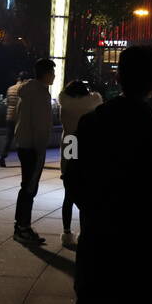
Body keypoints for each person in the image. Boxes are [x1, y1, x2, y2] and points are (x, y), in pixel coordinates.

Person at [70, 46, 152, 304]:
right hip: (142, 252)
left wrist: (94, 208)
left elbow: (73, 174)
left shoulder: (90, 123)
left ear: (118, 78)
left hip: (98, 244)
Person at [11, 59, 55, 246]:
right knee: (29, 188)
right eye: (52, 72)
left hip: (24, 143)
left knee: (26, 187)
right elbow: (40, 124)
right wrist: (40, 148)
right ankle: (23, 228)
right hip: (33, 147)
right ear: (45, 74)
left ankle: (21, 226)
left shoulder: (27, 91)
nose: (54, 75)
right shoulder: (40, 93)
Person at [56, 80, 102, 248]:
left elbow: (65, 126)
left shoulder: (65, 105)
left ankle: (66, 233)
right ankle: (84, 232)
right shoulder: (93, 104)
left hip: (70, 143)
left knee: (69, 194)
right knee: (86, 195)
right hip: (88, 145)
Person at [0, 71, 28, 168]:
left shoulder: (10, 88)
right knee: (22, 139)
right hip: (20, 117)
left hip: (10, 117)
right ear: (25, 80)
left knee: (8, 138)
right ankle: (24, 159)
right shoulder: (24, 89)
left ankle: (1, 156)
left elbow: (8, 102)